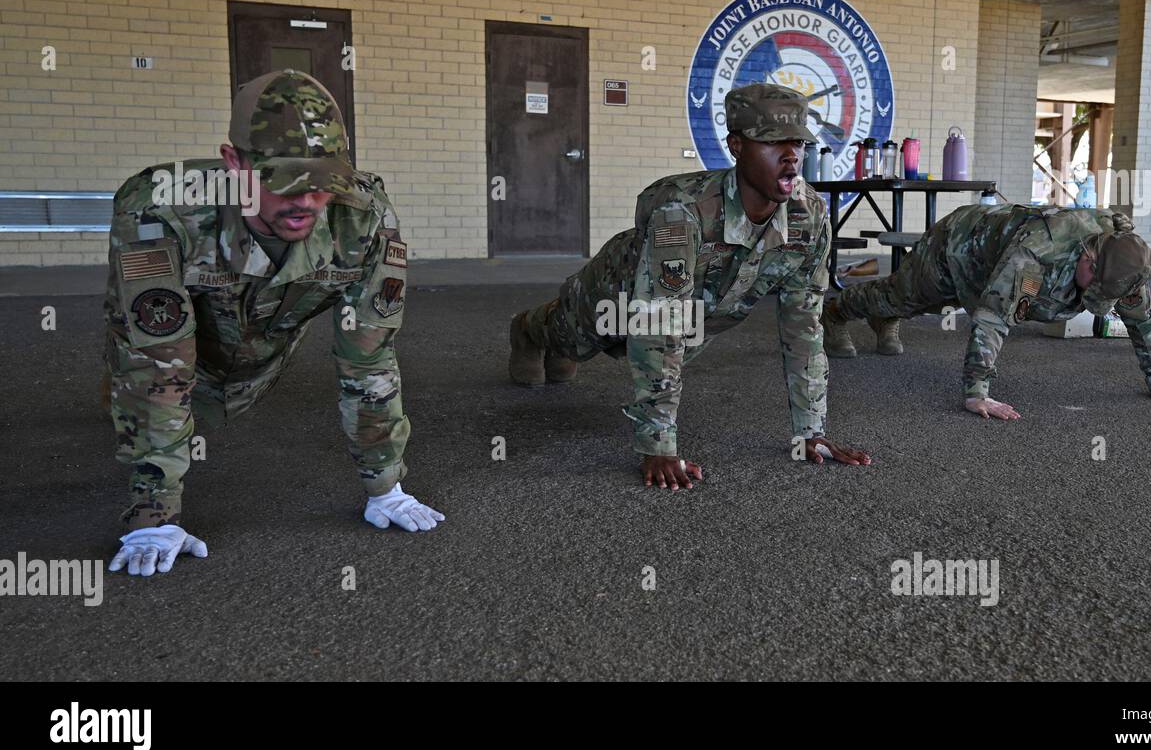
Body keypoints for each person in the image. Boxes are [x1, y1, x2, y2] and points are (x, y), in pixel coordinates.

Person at [103, 70, 442, 577]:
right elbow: (157, 364)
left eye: (324, 183)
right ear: (234, 163)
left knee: (218, 405)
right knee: (141, 385)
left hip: (263, 350)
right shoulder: (162, 211)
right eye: (283, 182)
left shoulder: (364, 218)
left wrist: (386, 487)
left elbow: (368, 359)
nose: (305, 202)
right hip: (172, 350)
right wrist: (155, 515)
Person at [508, 82, 870, 490]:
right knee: (573, 338)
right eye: (772, 144)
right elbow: (659, 319)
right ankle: (528, 329)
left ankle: (559, 346)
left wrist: (811, 431)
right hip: (618, 289)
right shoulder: (684, 211)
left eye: (798, 144)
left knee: (674, 345)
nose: (790, 157)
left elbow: (805, 324)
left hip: (699, 312)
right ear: (736, 146)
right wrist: (659, 445)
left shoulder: (811, 215)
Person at [821, 204, 1151, 419]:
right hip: (958, 246)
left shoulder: (1124, 265)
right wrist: (977, 392)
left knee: (913, 303)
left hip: (995, 256)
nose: (1099, 297)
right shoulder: (1037, 255)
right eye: (1096, 288)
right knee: (904, 296)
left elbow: (1146, 319)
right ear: (1089, 260)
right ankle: (836, 313)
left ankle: (885, 318)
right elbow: (994, 317)